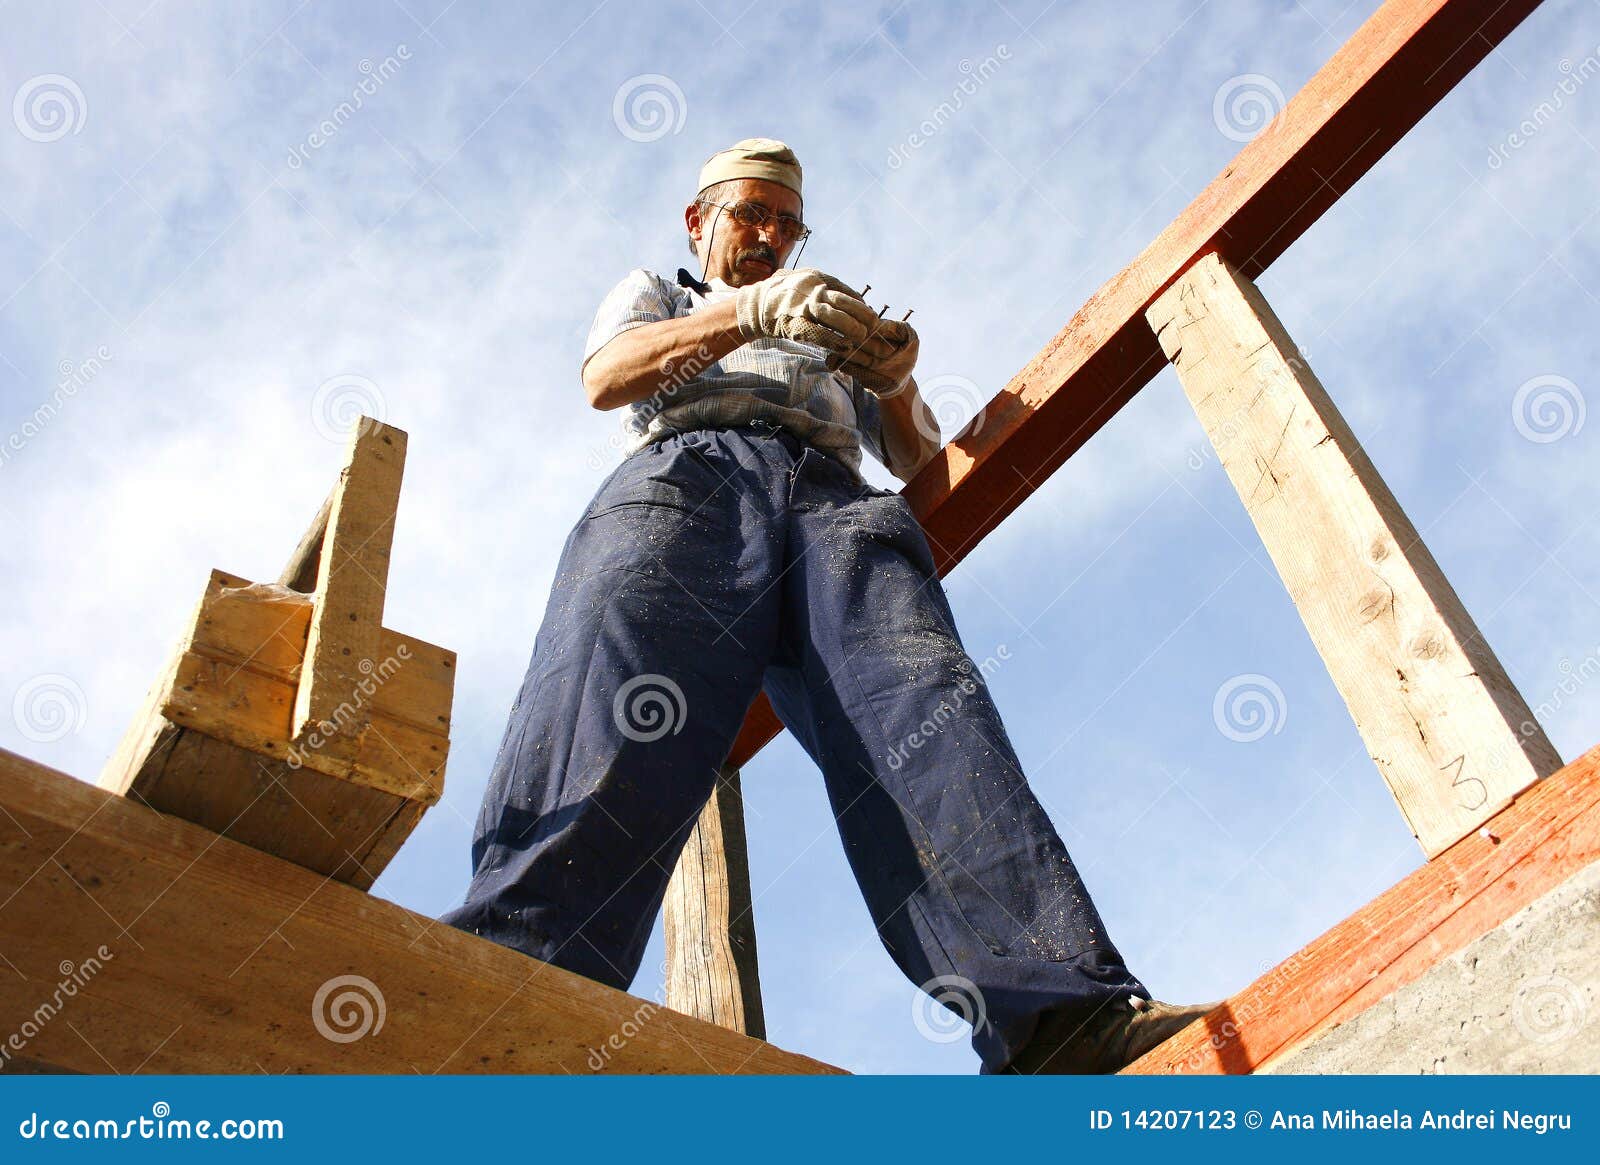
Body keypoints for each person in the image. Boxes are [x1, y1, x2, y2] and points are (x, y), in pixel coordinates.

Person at [440, 137, 1213, 1073]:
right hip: (688, 482)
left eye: (786, 224)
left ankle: (1056, 1022)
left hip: (833, 505)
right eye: (749, 213)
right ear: (700, 221)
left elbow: (921, 456)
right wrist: (747, 314)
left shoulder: (824, 341)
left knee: (922, 711)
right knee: (613, 713)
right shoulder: (661, 290)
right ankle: (501, 988)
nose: (769, 234)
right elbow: (609, 375)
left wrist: (894, 375)